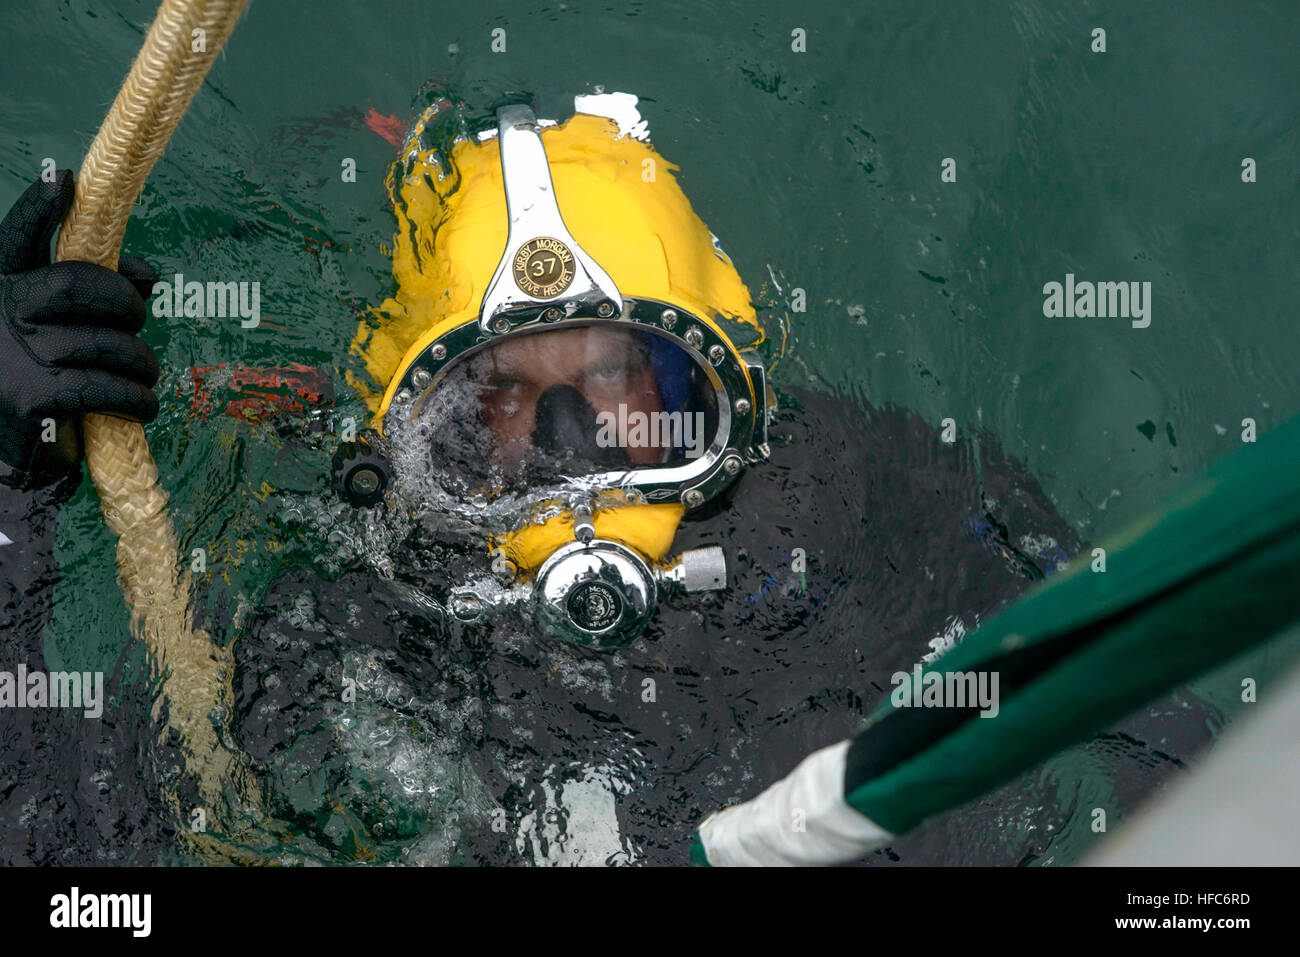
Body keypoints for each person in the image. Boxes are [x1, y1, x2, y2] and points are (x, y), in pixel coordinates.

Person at [0, 94, 1211, 865]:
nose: (574, 450)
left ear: (729, 373)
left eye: (623, 383)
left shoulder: (900, 504)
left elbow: (1172, 757)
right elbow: (77, 863)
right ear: (402, 432)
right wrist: (14, 512)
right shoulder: (331, 612)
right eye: (499, 403)